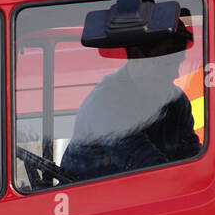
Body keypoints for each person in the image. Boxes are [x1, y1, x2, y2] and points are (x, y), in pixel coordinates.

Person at [63, 28, 200, 181]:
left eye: (178, 63)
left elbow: (192, 156)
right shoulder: (107, 102)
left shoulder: (176, 102)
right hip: (93, 200)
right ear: (137, 56)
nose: (176, 74)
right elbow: (147, 169)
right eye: (167, 63)